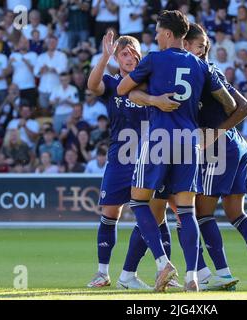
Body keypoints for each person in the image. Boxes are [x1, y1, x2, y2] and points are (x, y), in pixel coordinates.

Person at [117, 10, 239, 292]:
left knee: (138, 202)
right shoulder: (200, 66)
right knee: (186, 211)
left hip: (160, 136)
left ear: (168, 34)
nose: (156, 36)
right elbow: (230, 104)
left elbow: (123, 88)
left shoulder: (154, 59)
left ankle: (162, 262)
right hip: (190, 141)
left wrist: (153, 99)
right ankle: (192, 277)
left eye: (158, 32)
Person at [87, 31, 177, 290]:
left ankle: (163, 273)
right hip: (119, 160)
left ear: (140, 55)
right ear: (117, 58)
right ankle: (103, 273)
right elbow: (93, 86)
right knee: (109, 214)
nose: (129, 57)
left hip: (151, 159)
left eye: (133, 52)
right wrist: (104, 57)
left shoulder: (151, 83)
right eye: (123, 54)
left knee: (158, 214)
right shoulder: (113, 85)